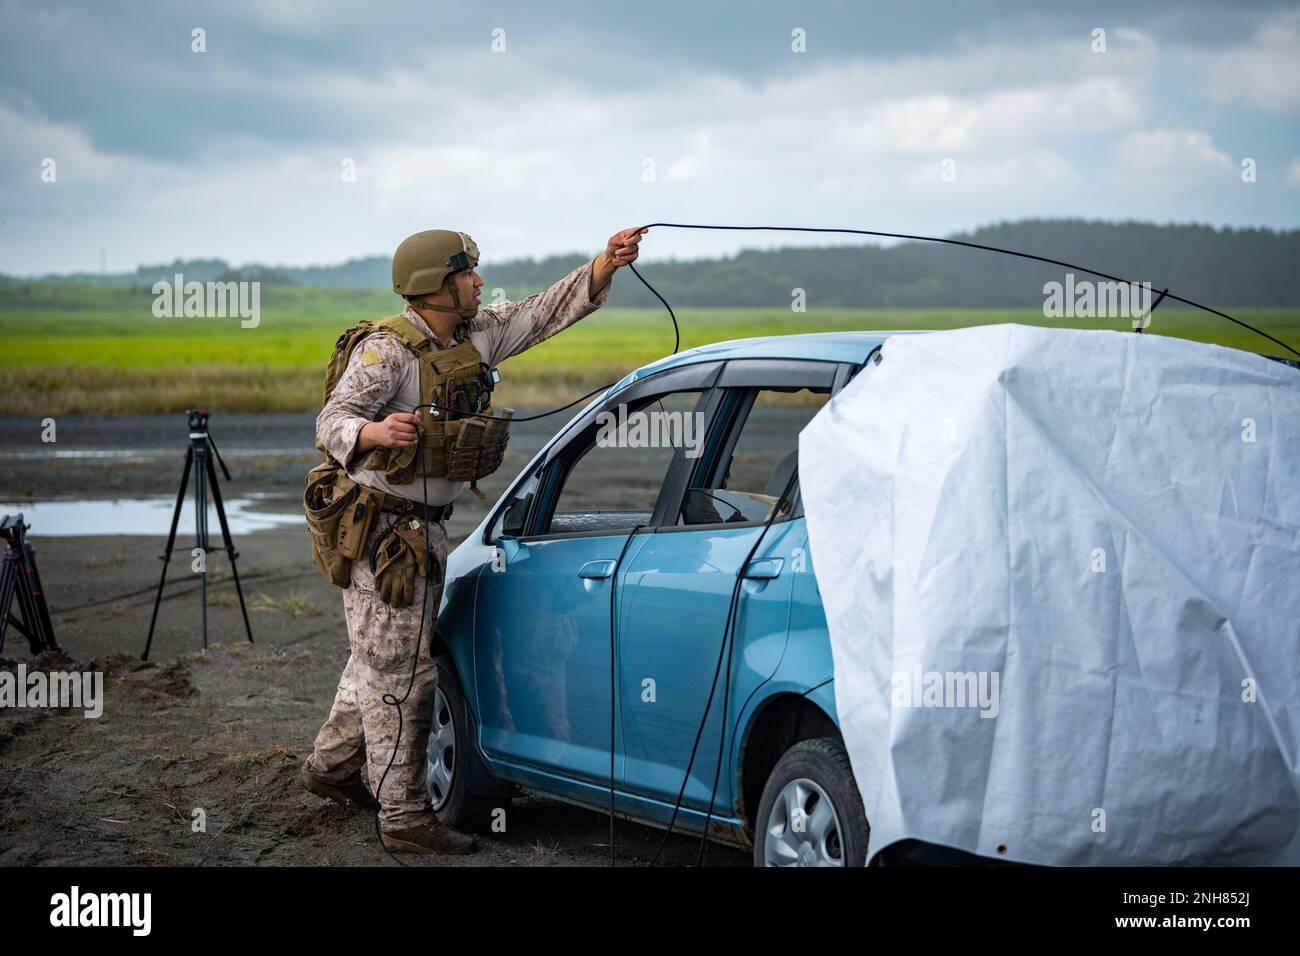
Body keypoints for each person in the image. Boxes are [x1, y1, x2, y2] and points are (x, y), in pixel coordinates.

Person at [298, 226, 646, 854]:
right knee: (404, 673)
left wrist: (604, 265)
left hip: (423, 528)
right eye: (467, 274)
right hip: (383, 532)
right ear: (436, 286)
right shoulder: (387, 353)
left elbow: (543, 313)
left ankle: (329, 769)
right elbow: (332, 421)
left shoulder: (478, 334)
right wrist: (375, 436)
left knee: (378, 658)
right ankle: (403, 819)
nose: (479, 283)